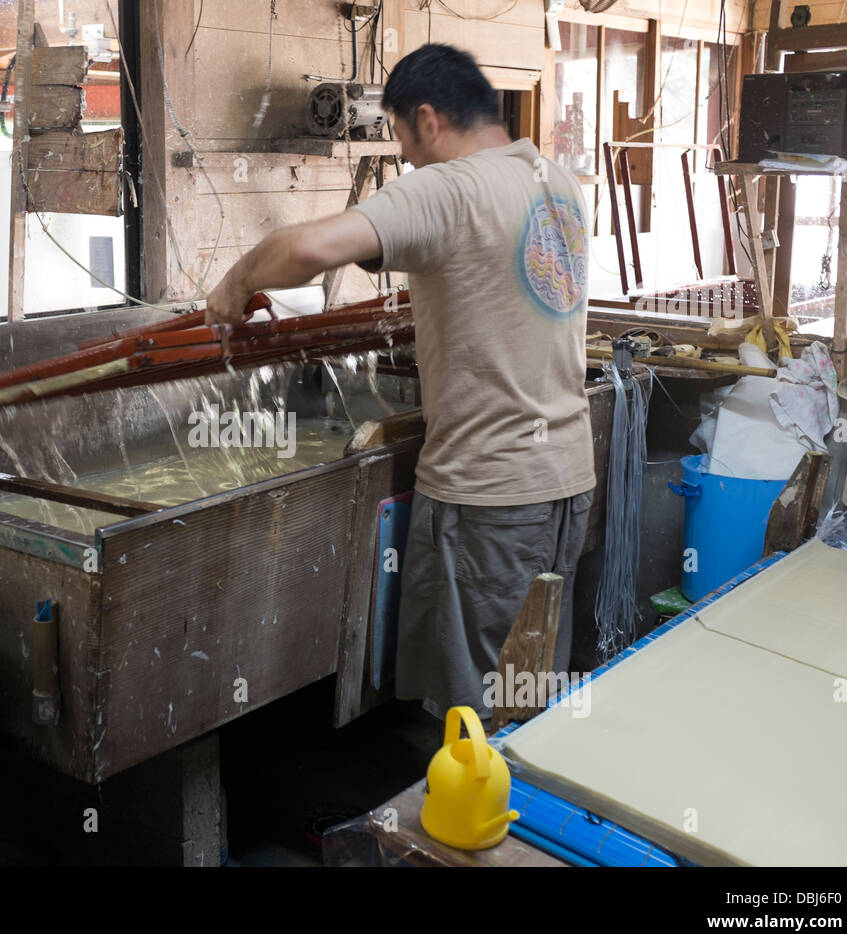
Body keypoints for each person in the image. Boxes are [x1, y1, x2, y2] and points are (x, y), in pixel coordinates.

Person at [204, 43, 595, 724]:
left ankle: (476, 824)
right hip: (563, 480)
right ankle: (517, 803)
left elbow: (306, 249)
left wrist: (237, 281)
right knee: (528, 678)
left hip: (491, 493)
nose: (406, 158)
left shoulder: (451, 187)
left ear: (427, 118)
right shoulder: (556, 182)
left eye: (402, 139)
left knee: (480, 706)